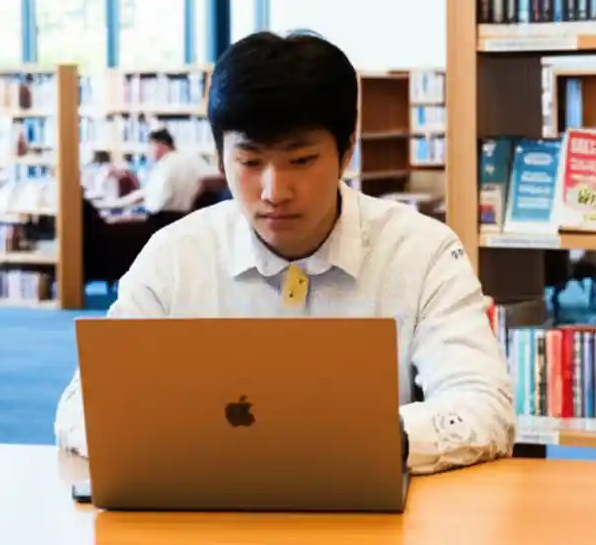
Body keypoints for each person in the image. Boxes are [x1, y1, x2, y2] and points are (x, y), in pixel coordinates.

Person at [54, 31, 515, 476]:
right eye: (250, 162)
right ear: (219, 157)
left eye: (301, 161)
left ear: (347, 149)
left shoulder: (421, 251)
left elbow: (484, 405)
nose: (274, 192)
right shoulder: (175, 256)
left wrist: (372, 437)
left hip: (368, 514)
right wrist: (175, 437)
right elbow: (82, 407)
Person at [103, 129, 214, 227]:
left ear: (160, 145)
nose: (149, 153)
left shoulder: (165, 165)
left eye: (150, 147)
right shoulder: (190, 157)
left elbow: (149, 198)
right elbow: (217, 177)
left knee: (117, 223)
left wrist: (115, 204)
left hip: (163, 218)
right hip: (184, 217)